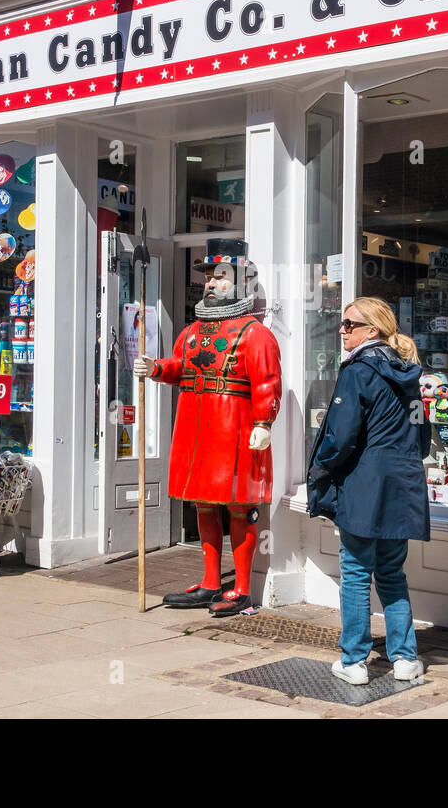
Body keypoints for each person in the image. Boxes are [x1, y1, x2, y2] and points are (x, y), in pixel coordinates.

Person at [134, 237, 282, 617]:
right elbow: (180, 367)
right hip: (195, 426)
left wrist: (264, 421)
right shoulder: (191, 332)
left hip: (235, 430)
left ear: (242, 280)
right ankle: (211, 581)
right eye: (209, 277)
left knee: (239, 504)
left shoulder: (256, 334)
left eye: (219, 276)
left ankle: (244, 588)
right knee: (203, 504)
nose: (211, 283)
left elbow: (267, 382)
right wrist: (155, 368)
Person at [307, 296, 430, 685]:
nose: (341, 330)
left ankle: (354, 661)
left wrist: (321, 467)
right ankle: (405, 658)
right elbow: (422, 432)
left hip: (365, 482)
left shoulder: (358, 370)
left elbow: (340, 436)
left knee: (357, 573)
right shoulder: (410, 372)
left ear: (371, 331)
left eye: (348, 324)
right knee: (392, 572)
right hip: (404, 481)